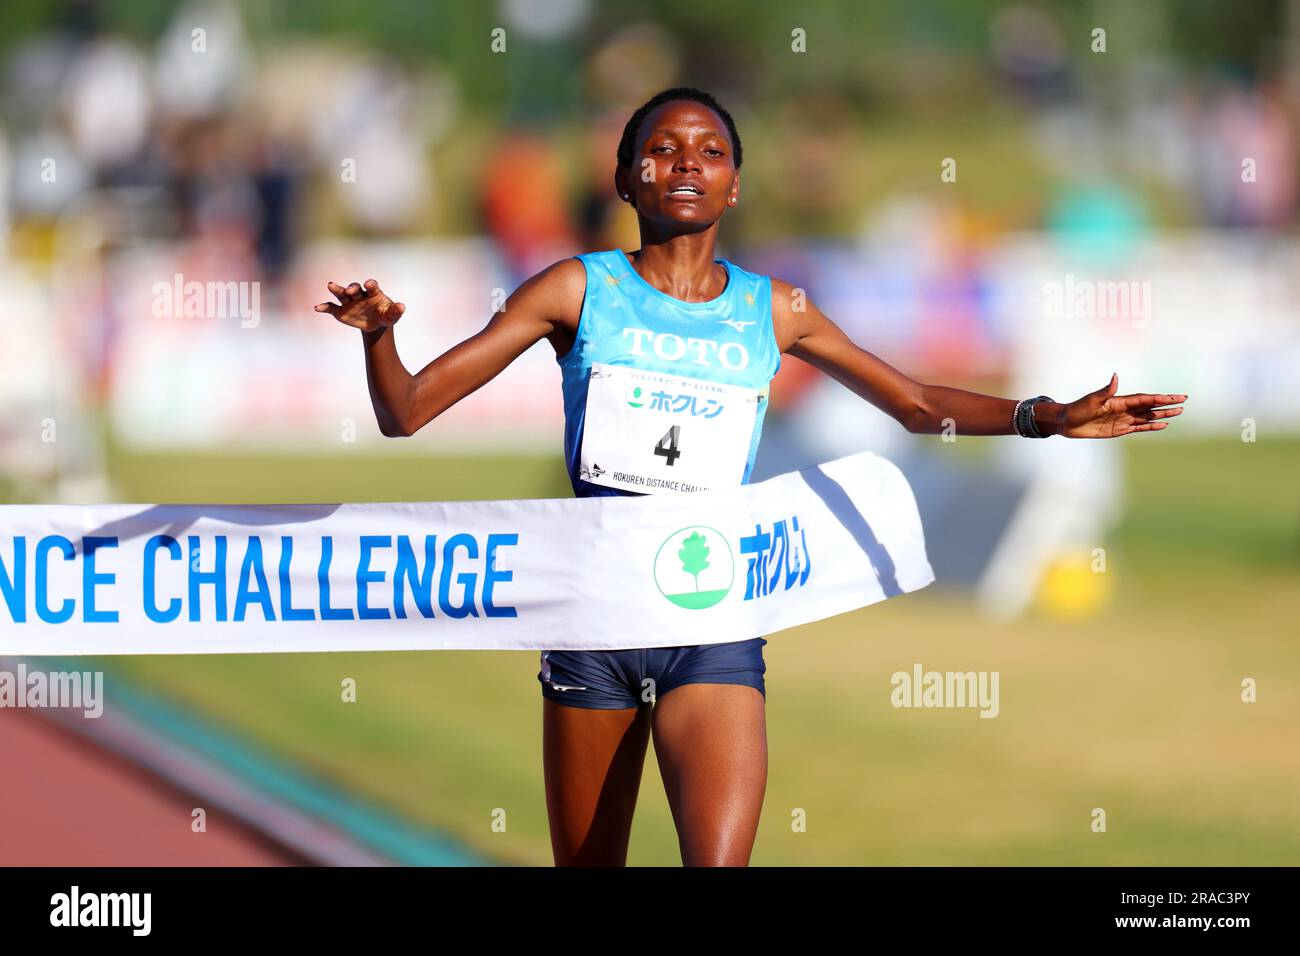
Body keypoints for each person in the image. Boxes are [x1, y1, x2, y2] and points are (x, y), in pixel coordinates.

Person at [316, 87, 1186, 867]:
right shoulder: (575, 289)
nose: (685, 163)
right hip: (595, 618)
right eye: (660, 149)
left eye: (710, 152)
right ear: (624, 180)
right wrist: (377, 336)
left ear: (734, 185)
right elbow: (408, 411)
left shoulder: (776, 309)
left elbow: (916, 404)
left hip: (712, 617)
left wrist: (1046, 415)